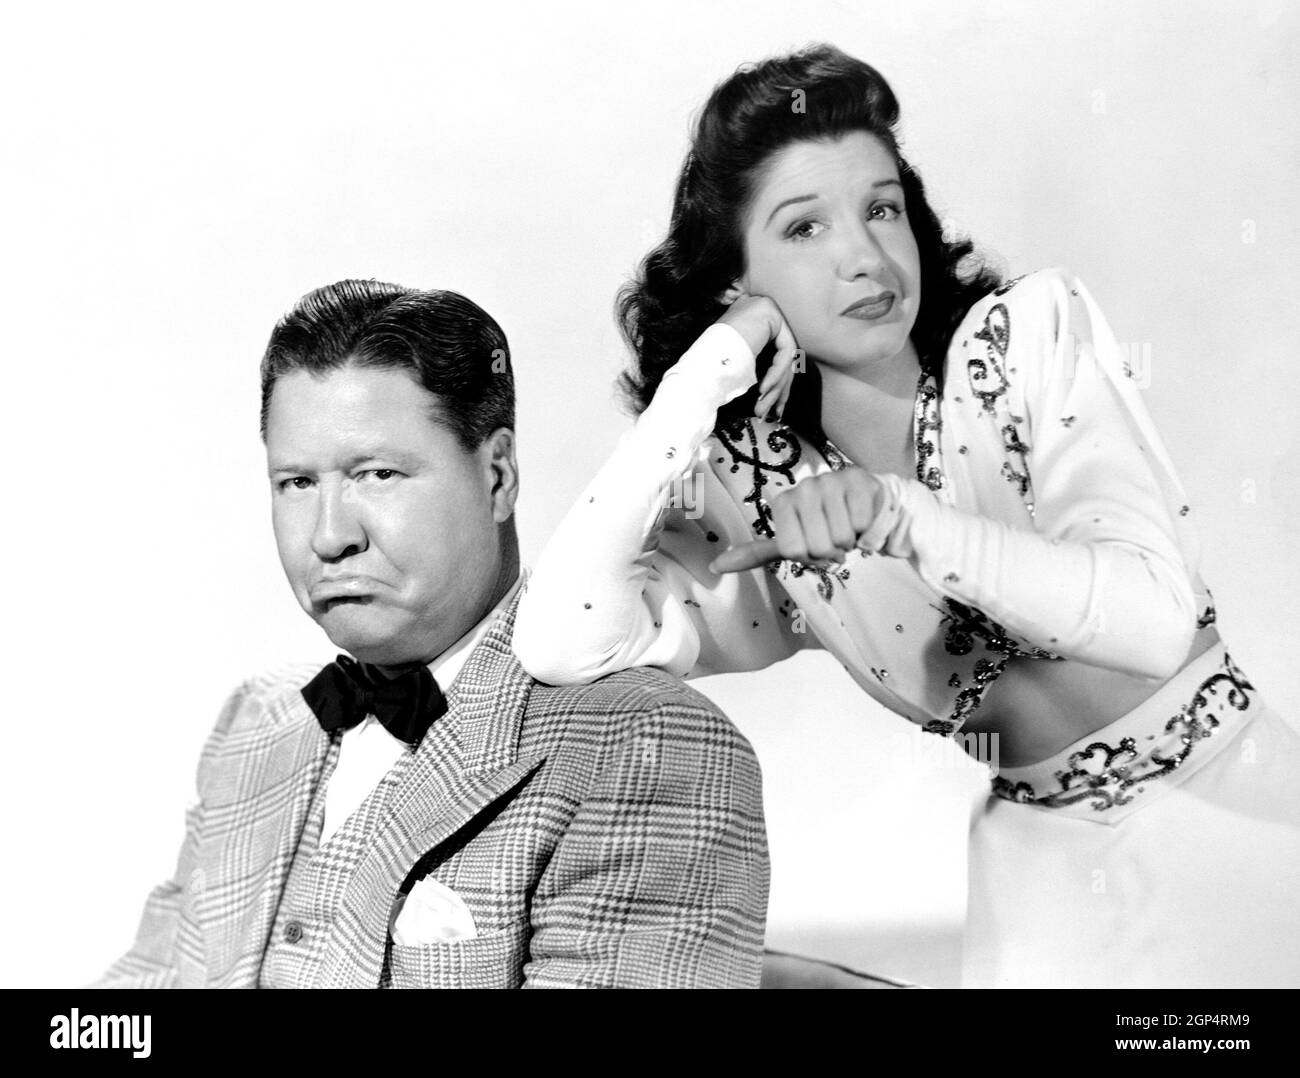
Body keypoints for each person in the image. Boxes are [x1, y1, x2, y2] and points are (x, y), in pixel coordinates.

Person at [512, 44, 1300, 988]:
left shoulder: (1025, 345)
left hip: (1242, 811)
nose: (865, 254)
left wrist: (906, 518)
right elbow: (561, 640)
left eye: (881, 208)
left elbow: (1153, 619)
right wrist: (709, 369)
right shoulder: (764, 501)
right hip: (1045, 875)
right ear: (737, 281)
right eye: (804, 229)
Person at [97, 280, 768, 989]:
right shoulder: (254, 726)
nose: (329, 536)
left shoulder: (644, 748)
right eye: (296, 483)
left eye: (378, 474)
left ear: (498, 474)